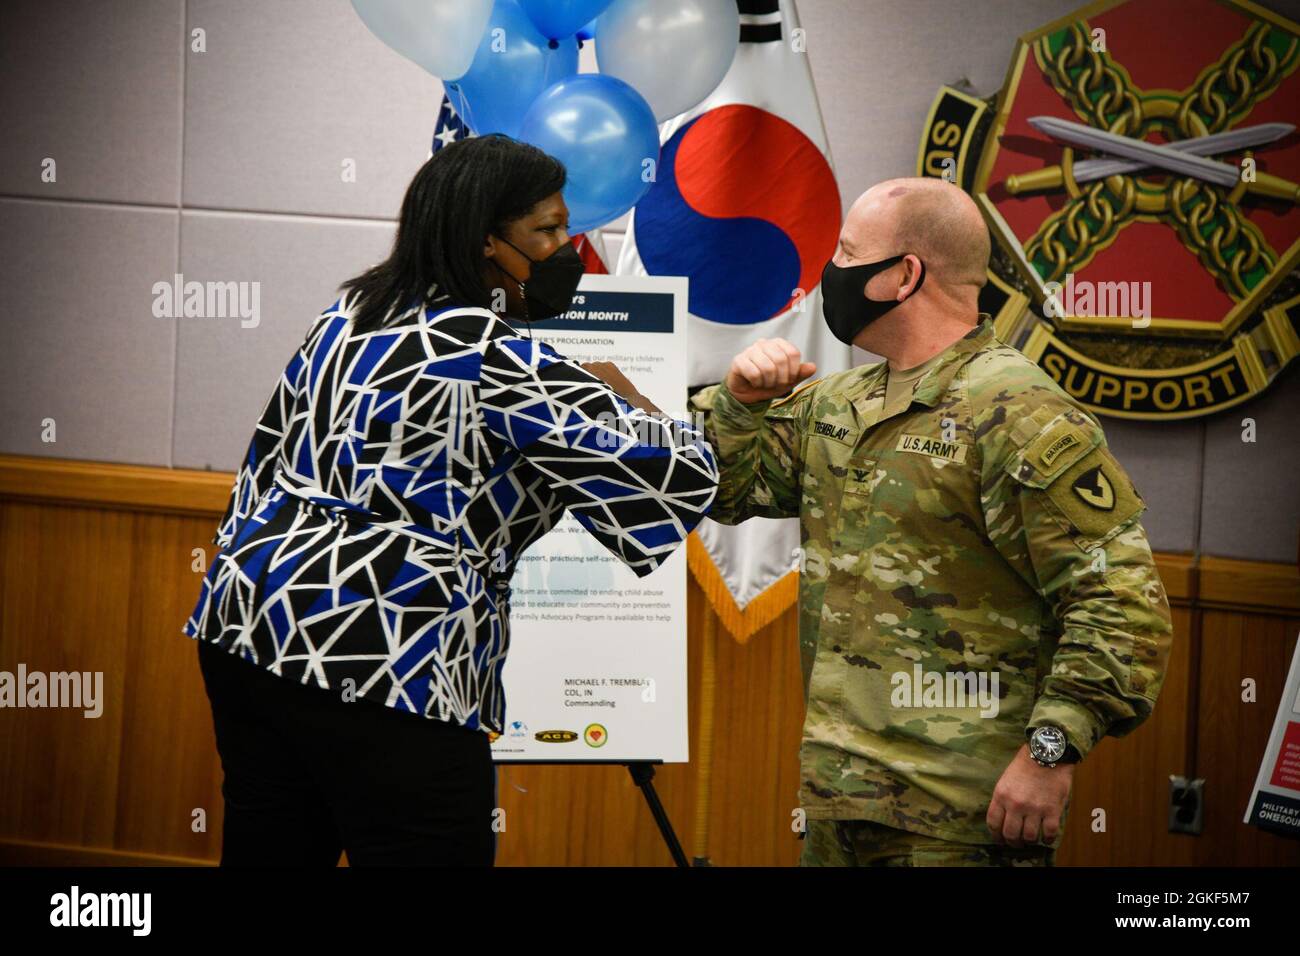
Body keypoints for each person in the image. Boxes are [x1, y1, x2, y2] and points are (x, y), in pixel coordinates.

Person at [184, 134, 719, 866]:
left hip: (247, 628)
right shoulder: (492, 351)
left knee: (273, 848)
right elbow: (669, 478)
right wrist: (637, 400)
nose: (571, 247)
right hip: (385, 651)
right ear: (488, 242)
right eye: (549, 229)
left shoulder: (347, 313)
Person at [688, 176, 1173, 866]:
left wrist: (1050, 754)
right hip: (839, 800)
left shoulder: (1017, 412)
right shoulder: (839, 402)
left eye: (848, 253)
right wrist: (738, 403)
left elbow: (1125, 608)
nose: (831, 272)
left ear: (903, 275)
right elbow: (728, 494)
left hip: (959, 818)